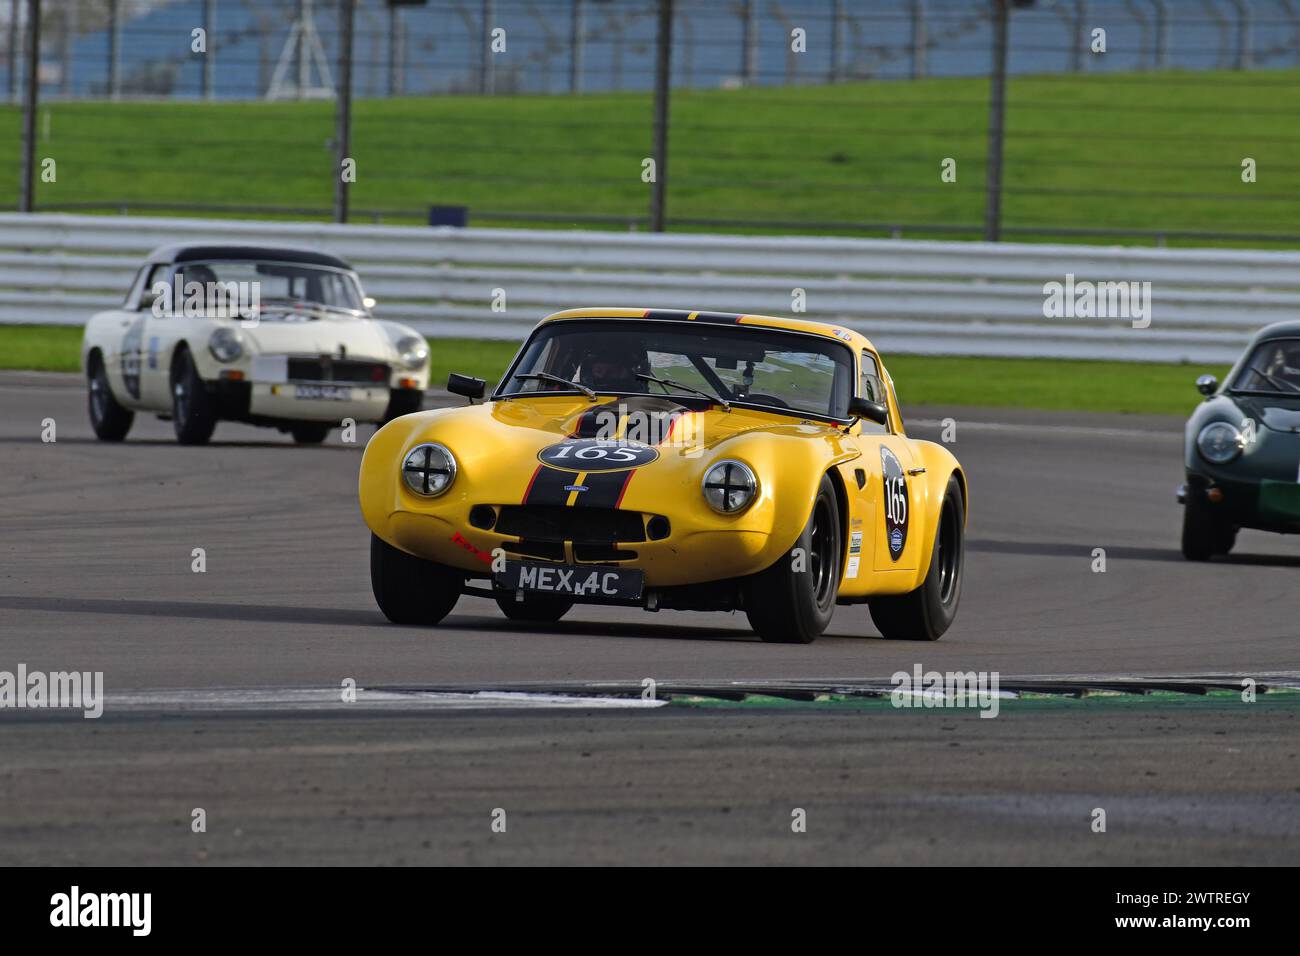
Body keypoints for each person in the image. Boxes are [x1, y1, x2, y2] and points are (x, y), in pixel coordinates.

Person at [578, 339, 645, 393]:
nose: (602, 376)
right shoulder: (576, 389)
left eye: (613, 372)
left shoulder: (637, 392)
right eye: (598, 371)